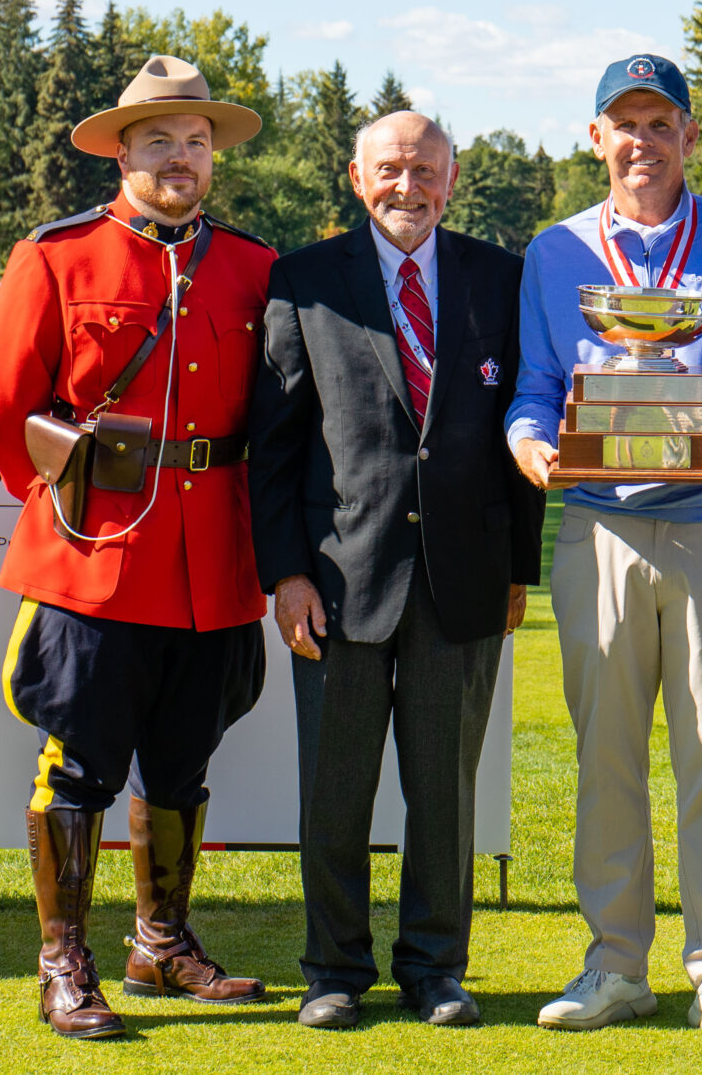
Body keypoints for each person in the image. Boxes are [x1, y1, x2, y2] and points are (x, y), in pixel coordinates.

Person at [0, 54, 275, 1040]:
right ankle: (64, 963)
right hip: (95, 559)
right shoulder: (55, 258)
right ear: (122, 153)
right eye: (159, 142)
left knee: (182, 768)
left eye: (196, 142)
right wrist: (63, 508)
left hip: (212, 562)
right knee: (79, 768)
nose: (181, 157)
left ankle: (162, 943)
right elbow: (0, 408)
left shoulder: (255, 268)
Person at [506, 53, 702, 1050]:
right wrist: (528, 442)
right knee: (607, 755)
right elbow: (536, 384)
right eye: (623, 124)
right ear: (596, 139)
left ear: (689, 136)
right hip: (598, 522)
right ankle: (615, 962)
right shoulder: (555, 251)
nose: (643, 142)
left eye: (661, 122)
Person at [248, 110, 544, 1030]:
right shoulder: (302, 281)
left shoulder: (501, 277)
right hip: (337, 581)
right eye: (389, 170)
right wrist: (285, 574)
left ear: (452, 178)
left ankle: (434, 969)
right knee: (333, 792)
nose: (407, 187)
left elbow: (522, 424)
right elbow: (275, 446)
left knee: (444, 794)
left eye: (425, 170)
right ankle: (333, 969)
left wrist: (517, 570)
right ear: (355, 176)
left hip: (464, 576)